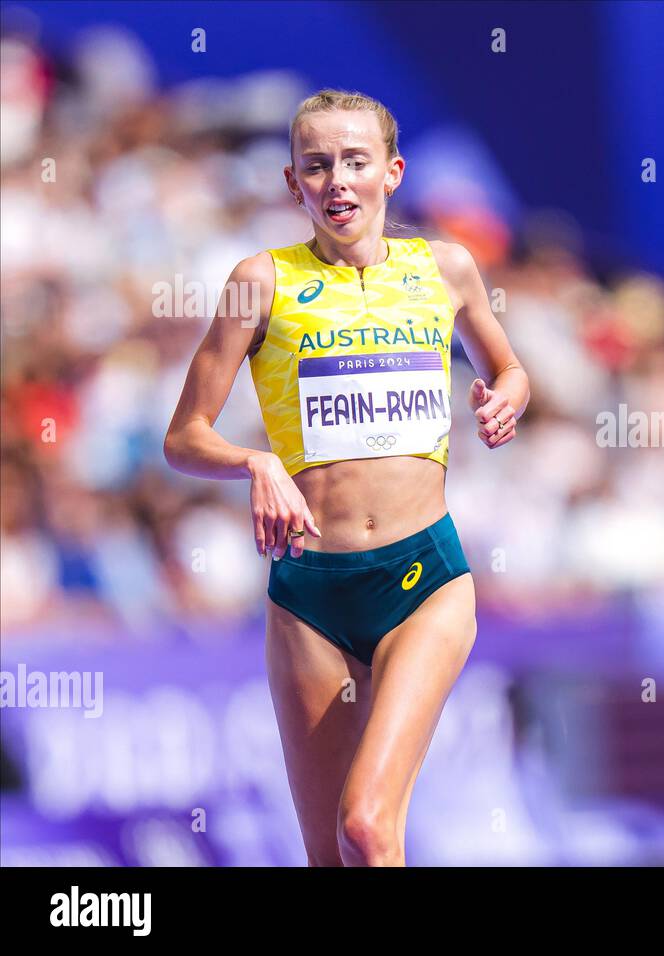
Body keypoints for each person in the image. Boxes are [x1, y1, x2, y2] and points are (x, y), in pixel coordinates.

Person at [163, 90, 528, 866]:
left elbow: (510, 367)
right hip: (309, 595)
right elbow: (183, 437)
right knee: (329, 853)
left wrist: (508, 396)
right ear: (293, 184)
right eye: (317, 165)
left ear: (391, 173)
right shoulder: (260, 283)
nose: (338, 181)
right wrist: (255, 460)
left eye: (356, 162)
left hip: (423, 576)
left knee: (366, 825)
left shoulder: (446, 267)